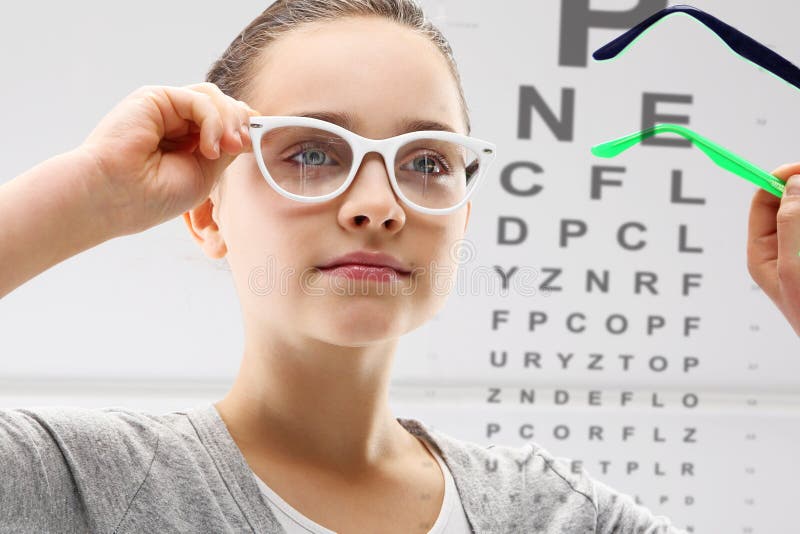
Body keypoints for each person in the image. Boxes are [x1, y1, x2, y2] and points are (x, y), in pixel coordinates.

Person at [0, 1, 798, 533]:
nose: (377, 204)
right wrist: (92, 194)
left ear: (463, 216)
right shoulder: (80, 486)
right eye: (312, 153)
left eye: (425, 162)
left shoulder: (554, 514)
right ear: (210, 214)